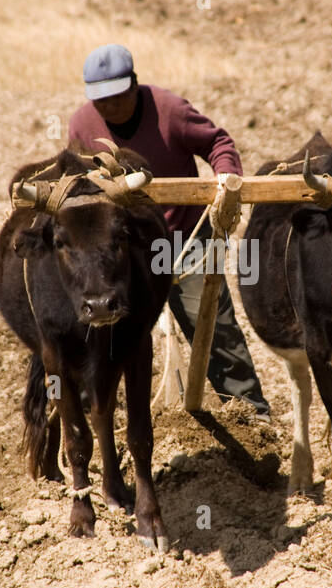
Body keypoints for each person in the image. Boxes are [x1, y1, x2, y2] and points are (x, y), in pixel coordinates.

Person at [68, 44, 271, 420]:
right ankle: (94, 416)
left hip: (181, 241)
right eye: (100, 100)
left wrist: (227, 175)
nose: (108, 107)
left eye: (116, 97)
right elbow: (78, 185)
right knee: (103, 330)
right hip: (122, 252)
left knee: (215, 332)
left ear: (134, 85)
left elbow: (218, 142)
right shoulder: (82, 125)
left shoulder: (170, 111)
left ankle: (253, 416)